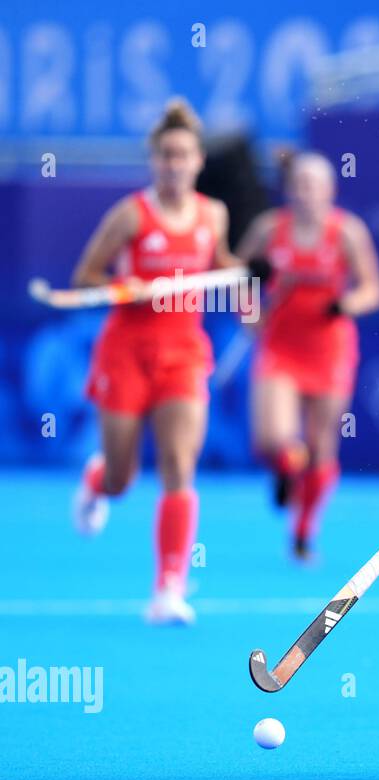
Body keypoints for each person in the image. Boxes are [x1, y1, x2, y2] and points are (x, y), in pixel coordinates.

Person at [70, 98, 242, 625]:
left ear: (196, 161)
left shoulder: (214, 214)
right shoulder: (129, 215)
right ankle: (99, 480)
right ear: (154, 160)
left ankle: (168, 587)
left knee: (178, 464)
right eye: (165, 155)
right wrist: (127, 286)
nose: (174, 164)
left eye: (183, 155)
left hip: (183, 354)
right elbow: (85, 278)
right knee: (124, 476)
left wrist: (245, 274)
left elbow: (221, 267)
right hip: (126, 352)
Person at [236, 152, 379, 559]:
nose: (306, 193)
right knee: (272, 438)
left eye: (315, 185)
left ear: (330, 191)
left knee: (321, 445)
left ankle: (303, 531)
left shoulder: (346, 232)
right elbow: (239, 277)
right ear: (288, 189)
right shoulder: (268, 230)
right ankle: (286, 471)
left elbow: (373, 289)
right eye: (299, 184)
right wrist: (250, 312)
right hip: (281, 346)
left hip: (329, 348)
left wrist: (347, 304)